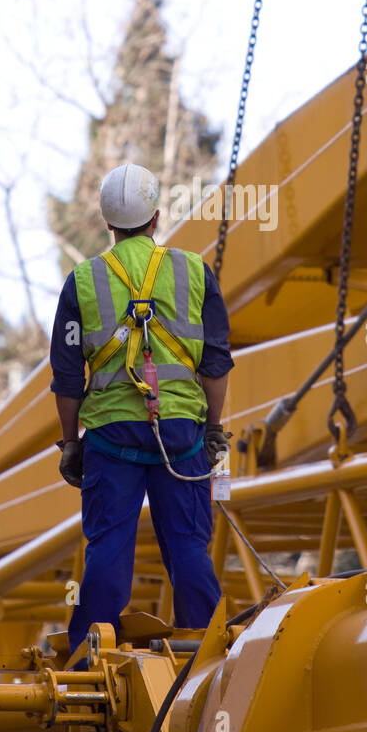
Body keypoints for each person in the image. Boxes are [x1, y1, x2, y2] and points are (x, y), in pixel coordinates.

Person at [49, 162, 234, 655]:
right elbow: (216, 362)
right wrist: (213, 428)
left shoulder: (82, 281)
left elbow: (67, 378)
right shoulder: (194, 270)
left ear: (109, 222)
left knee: (108, 547)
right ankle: (205, 651)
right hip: (181, 435)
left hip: (112, 438)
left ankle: (93, 654)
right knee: (189, 546)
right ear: (156, 216)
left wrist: (71, 443)